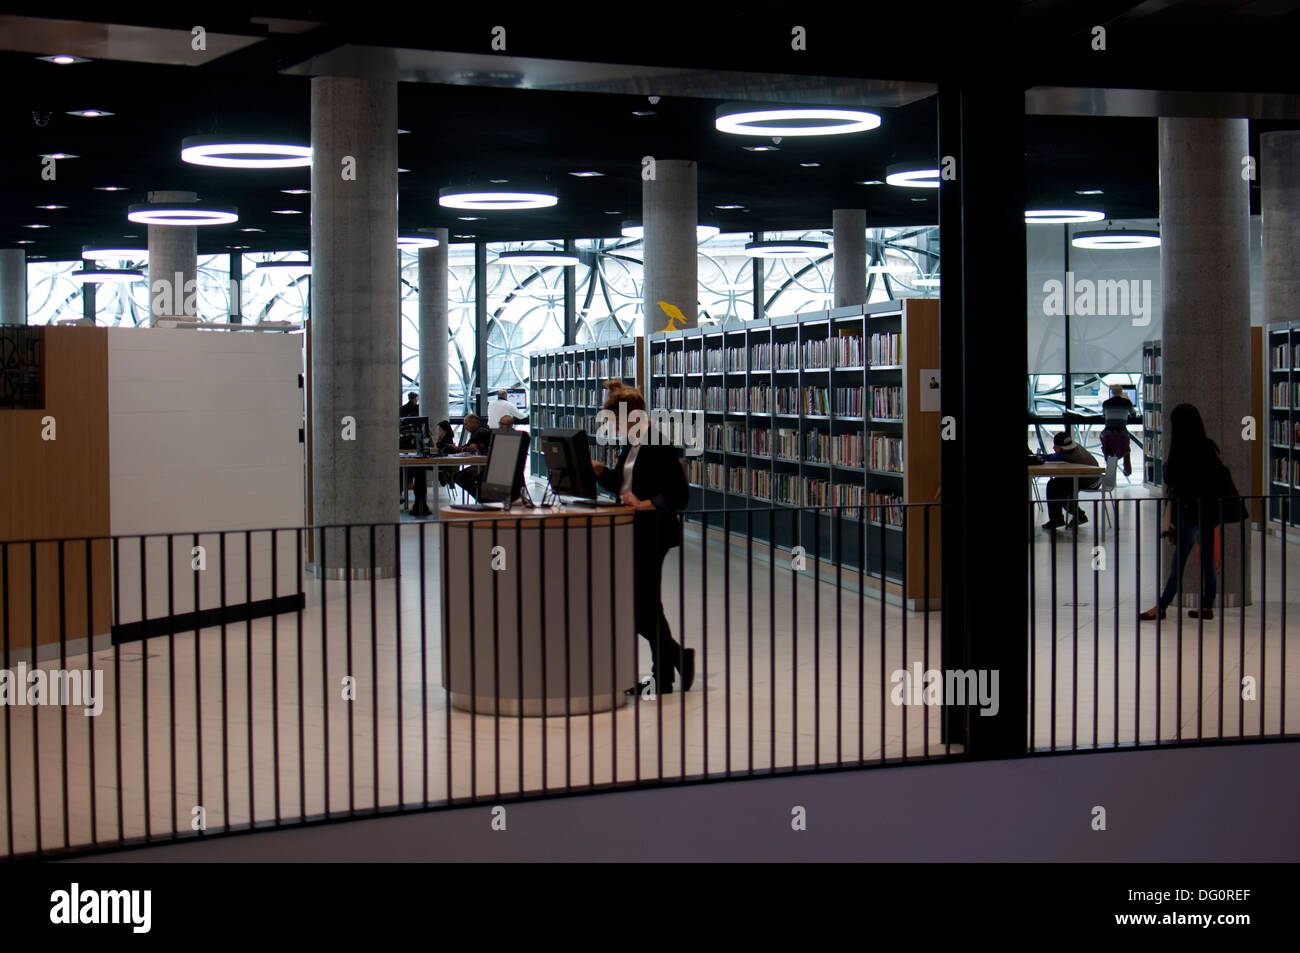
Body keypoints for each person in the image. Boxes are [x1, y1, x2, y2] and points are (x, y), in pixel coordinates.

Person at [591, 382, 694, 694]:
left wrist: (644, 504)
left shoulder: (657, 444)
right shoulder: (634, 444)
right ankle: (666, 671)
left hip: (653, 531)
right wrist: (600, 473)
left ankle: (672, 663)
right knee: (646, 604)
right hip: (634, 529)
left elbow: (679, 495)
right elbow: (625, 487)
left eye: (616, 421)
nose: (613, 427)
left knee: (640, 606)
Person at [1140, 403, 1221, 621]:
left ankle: (1162, 606)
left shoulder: (1181, 450)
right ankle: (1207, 605)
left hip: (1189, 511)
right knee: (1207, 560)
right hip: (1209, 510)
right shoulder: (1209, 446)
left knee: (1178, 561)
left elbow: (1172, 480)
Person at [1040, 431, 1101, 530]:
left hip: (1089, 481)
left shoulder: (1068, 455)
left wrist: (1037, 456)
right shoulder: (1076, 447)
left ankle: (1061, 519)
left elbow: (1051, 458)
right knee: (1057, 485)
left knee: (1055, 487)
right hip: (1093, 478)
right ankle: (1075, 516)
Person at [488, 415, 530, 502]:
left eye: (503, 424)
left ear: (511, 425)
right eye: (500, 424)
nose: (500, 426)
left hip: (509, 468)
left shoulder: (518, 437)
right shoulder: (498, 435)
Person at [452, 413, 492, 498]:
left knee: (460, 477)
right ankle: (480, 495)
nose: (465, 426)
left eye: (466, 424)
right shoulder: (482, 430)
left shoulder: (480, 432)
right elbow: (470, 446)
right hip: (484, 464)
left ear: (474, 423)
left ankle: (480, 496)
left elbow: (470, 446)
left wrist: (457, 448)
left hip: (485, 466)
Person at [1100, 384, 1136, 477]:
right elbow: (1133, 414)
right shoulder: (1127, 402)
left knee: (1101, 436)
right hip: (1122, 432)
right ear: (1121, 392)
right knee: (1126, 443)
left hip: (1108, 432)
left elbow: (1104, 415)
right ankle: (1127, 469)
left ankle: (1109, 459)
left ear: (1112, 392)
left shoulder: (1106, 403)